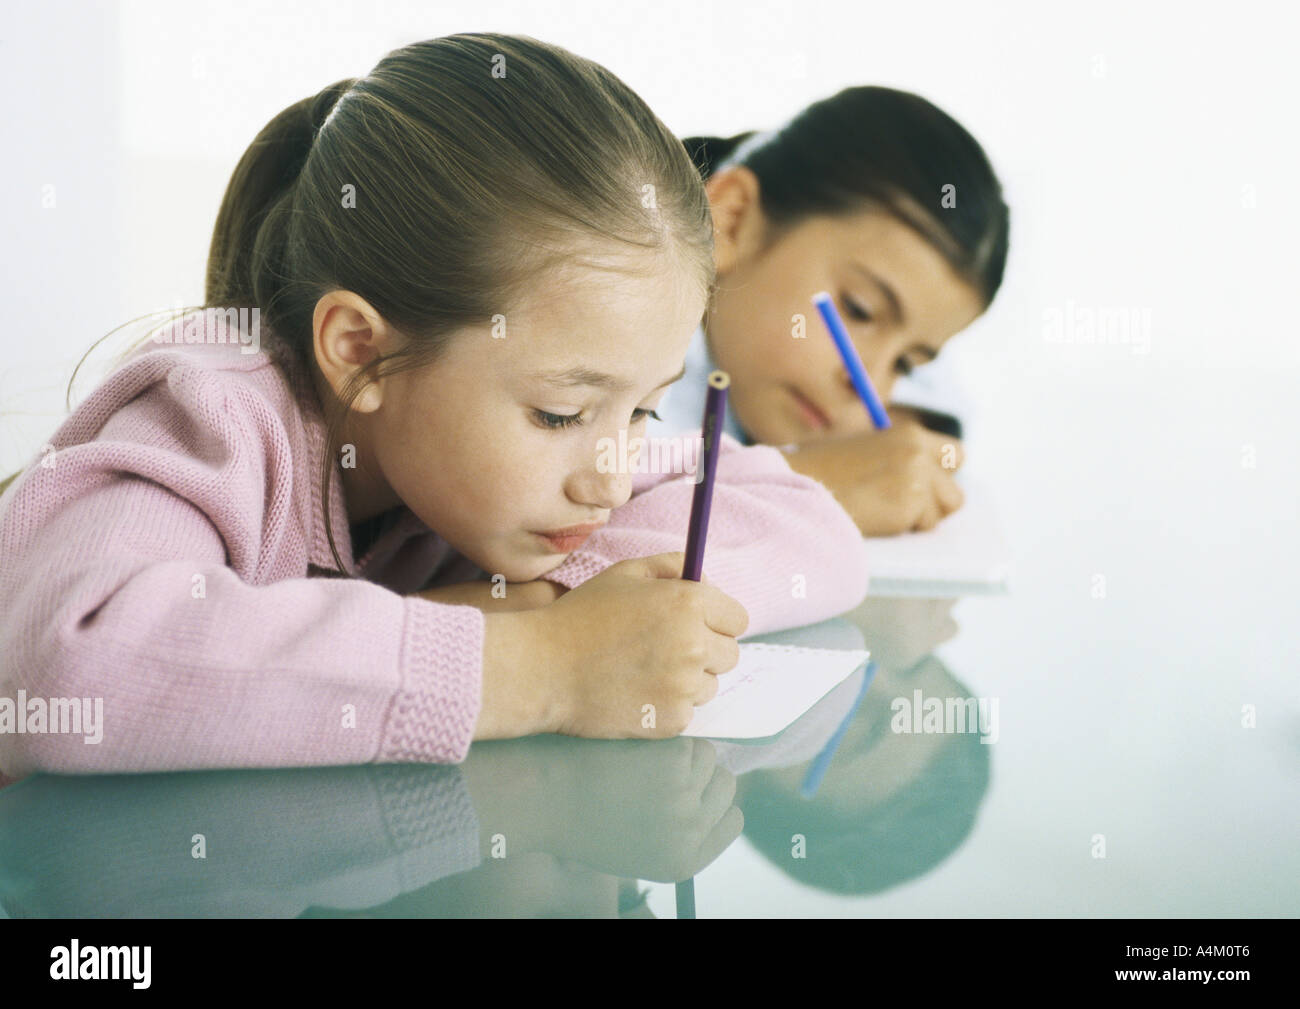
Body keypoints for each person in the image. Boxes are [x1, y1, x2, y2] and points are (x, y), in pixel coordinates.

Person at [0, 33, 869, 783]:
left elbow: (806, 525)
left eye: (644, 410)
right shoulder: (212, 417)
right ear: (360, 351)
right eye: (562, 415)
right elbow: (71, 669)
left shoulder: (526, 461)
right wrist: (545, 665)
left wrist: (576, 603)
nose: (609, 480)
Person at [653, 87, 1010, 536]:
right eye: (859, 310)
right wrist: (803, 482)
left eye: (905, 362)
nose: (868, 387)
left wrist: (903, 449)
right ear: (733, 218)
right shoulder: (605, 316)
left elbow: (936, 409)